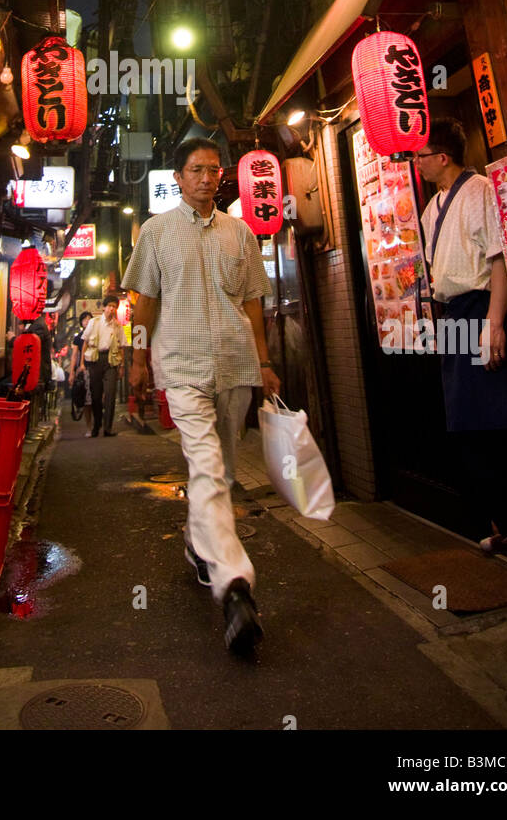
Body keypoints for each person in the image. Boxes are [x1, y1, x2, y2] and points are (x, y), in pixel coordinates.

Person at [121, 138, 280, 654]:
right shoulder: (156, 231)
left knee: (223, 471)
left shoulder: (240, 232)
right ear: (179, 177)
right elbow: (143, 304)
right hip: (182, 365)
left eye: (214, 170)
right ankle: (234, 585)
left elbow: (254, 302)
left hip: (234, 364)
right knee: (209, 467)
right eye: (197, 170)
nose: (207, 178)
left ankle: (198, 539)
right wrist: (139, 360)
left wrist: (264, 360)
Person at [416, 117, 507, 576]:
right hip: (453, 315)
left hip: (485, 310)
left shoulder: (478, 189)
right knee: (469, 428)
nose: (416, 163)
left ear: (442, 157)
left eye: (421, 155)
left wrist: (495, 322)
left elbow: (498, 257)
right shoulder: (430, 208)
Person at [83, 295, 124, 437]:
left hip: (111, 361)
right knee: (95, 395)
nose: (112, 309)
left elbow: (121, 347)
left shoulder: (118, 326)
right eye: (110, 306)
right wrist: (82, 363)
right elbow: (85, 342)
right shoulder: (93, 323)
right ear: (104, 307)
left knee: (110, 394)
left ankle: (108, 428)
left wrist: (122, 366)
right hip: (95, 360)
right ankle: (96, 425)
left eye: (114, 307)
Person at [69, 311, 93, 434]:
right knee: (87, 401)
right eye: (84, 319)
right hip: (83, 371)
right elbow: (74, 356)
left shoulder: (96, 335)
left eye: (89, 319)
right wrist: (72, 373)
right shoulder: (78, 338)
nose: (87, 321)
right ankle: (89, 427)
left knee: (97, 398)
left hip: (96, 369)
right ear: (81, 323)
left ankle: (97, 424)